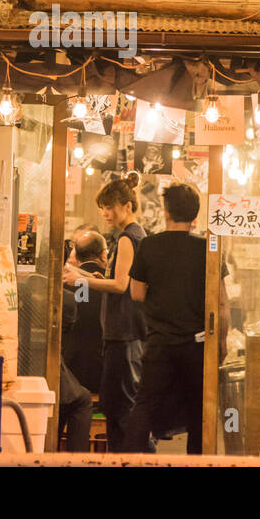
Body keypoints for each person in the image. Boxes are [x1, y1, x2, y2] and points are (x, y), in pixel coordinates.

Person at [124, 183, 226, 455]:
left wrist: (161, 300)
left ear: (166, 212)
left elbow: (136, 293)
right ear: (195, 215)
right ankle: (195, 462)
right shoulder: (208, 249)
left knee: (144, 404)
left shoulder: (149, 245)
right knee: (198, 409)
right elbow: (222, 302)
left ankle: (130, 460)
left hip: (160, 342)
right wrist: (221, 343)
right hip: (197, 344)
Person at [64, 174, 145, 450]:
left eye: (110, 207)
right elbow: (122, 279)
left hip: (122, 335)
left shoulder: (126, 237)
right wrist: (94, 275)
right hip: (127, 335)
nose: (105, 213)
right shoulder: (136, 235)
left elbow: (121, 285)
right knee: (121, 407)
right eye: (103, 207)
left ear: (127, 206)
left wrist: (81, 280)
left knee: (119, 410)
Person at [57, 230, 107, 452]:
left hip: (70, 370)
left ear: (76, 256)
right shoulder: (108, 284)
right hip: (100, 375)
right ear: (103, 256)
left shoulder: (66, 282)